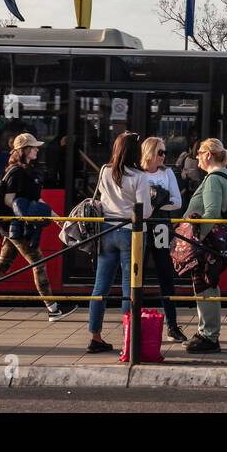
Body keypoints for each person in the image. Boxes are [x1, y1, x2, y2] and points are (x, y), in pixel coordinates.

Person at [0, 133, 76, 324]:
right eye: (33, 147)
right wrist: (27, 214)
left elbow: (36, 200)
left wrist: (59, 219)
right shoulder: (17, 172)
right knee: (38, 263)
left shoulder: (28, 171)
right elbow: (10, 200)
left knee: (2, 266)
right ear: (24, 150)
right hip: (17, 228)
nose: (37, 149)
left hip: (16, 228)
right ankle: (54, 309)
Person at [85, 132, 152, 354]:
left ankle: (95, 337)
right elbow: (145, 211)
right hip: (129, 234)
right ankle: (128, 339)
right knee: (129, 288)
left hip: (107, 231)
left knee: (100, 286)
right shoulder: (139, 177)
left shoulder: (105, 170)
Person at [183, 138, 227, 354]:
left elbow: (212, 212)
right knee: (207, 285)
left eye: (199, 152)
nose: (196, 157)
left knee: (205, 286)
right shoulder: (223, 175)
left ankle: (209, 336)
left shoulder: (213, 179)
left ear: (208, 155)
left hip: (206, 243)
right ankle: (206, 332)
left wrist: (196, 240)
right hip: (210, 241)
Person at [141, 137, 186, 344]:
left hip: (160, 226)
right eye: (160, 152)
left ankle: (172, 325)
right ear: (149, 153)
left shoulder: (167, 173)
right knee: (136, 276)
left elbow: (177, 202)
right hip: (139, 228)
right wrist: (160, 200)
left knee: (165, 274)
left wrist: (154, 205)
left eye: (164, 152)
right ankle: (135, 324)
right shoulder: (137, 172)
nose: (164, 156)